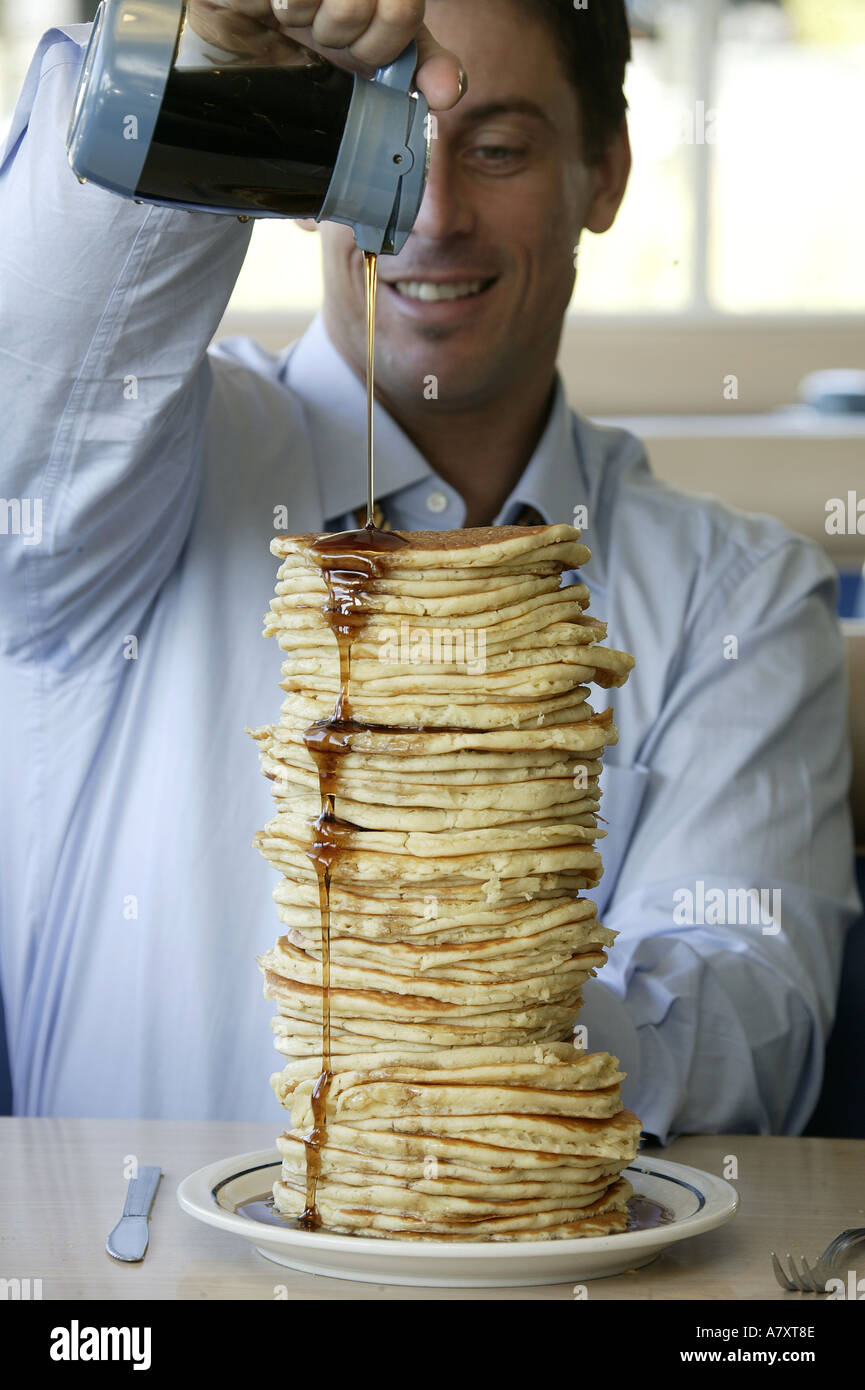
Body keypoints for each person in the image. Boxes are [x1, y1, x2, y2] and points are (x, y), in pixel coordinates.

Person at [0, 0, 858, 1139]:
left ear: (603, 176)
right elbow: (31, 415)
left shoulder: (735, 595)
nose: (431, 215)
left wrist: (454, 992)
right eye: (384, 140)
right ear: (316, 166)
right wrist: (214, 64)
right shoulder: (137, 485)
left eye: (498, 147)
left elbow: (747, 1024)